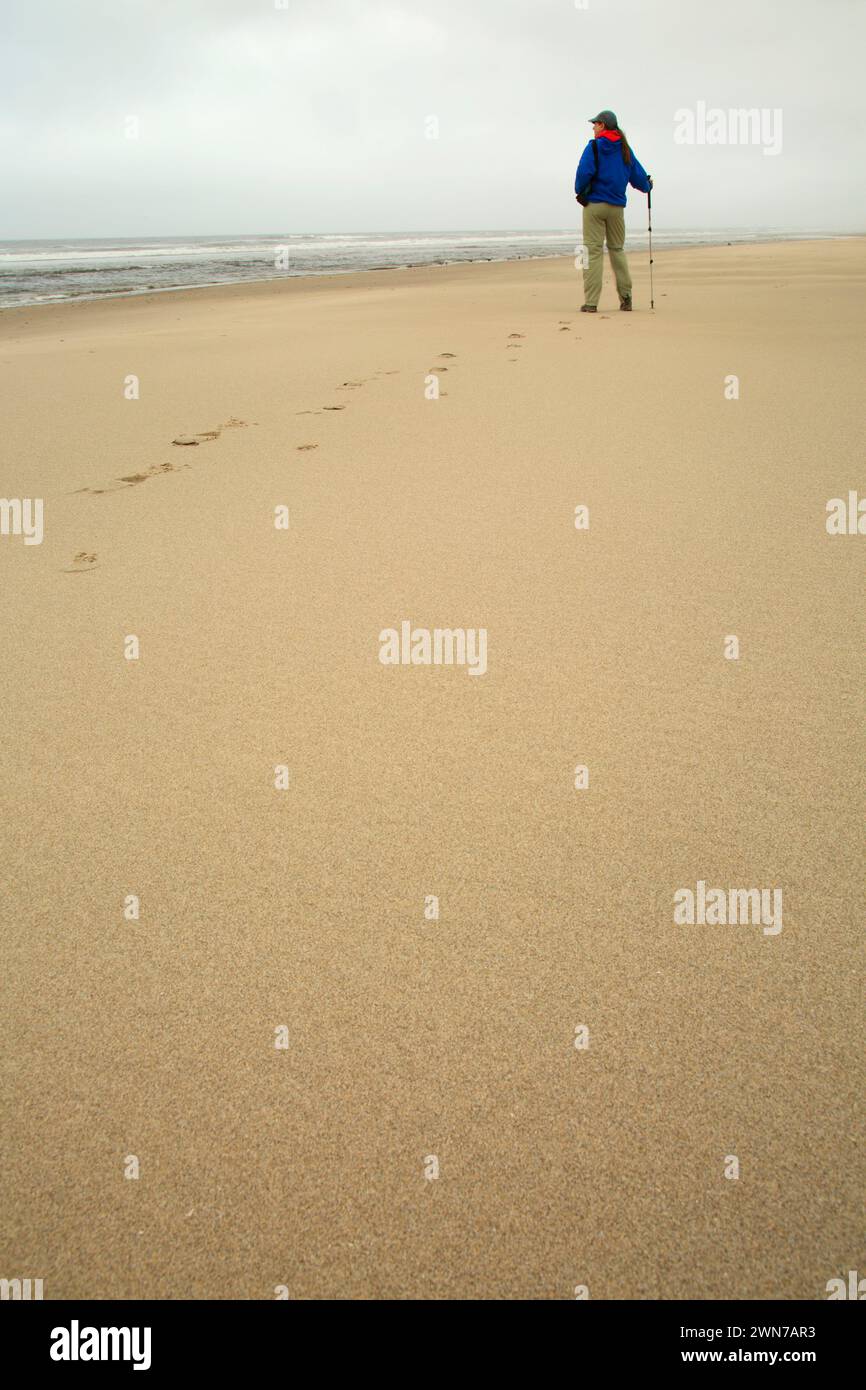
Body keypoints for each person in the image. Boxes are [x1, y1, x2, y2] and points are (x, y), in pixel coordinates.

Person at [574, 109, 652, 312]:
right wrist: (647, 185)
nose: (593, 127)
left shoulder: (594, 147)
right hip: (617, 207)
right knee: (617, 250)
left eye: (596, 123)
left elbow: (583, 172)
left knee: (592, 251)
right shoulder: (625, 148)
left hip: (595, 205)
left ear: (603, 125)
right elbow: (639, 177)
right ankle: (626, 299)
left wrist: (579, 192)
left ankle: (591, 302)